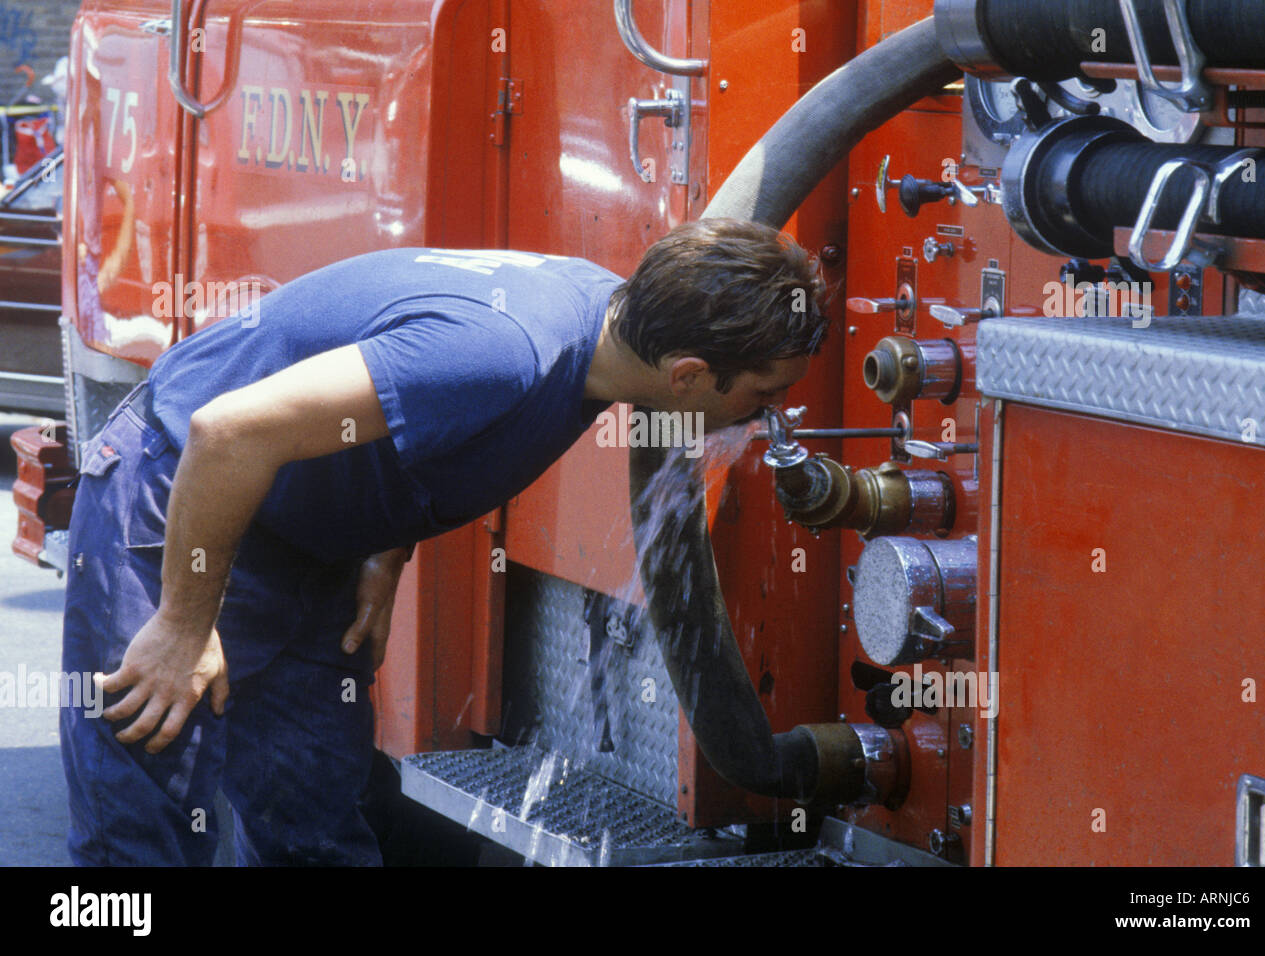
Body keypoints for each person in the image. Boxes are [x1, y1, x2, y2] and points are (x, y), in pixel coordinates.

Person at [60, 216, 829, 865]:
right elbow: (226, 432)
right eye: (765, 394)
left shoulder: (608, 329)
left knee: (318, 819)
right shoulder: (506, 352)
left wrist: (382, 545)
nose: (768, 415)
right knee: (143, 824)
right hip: (180, 499)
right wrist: (183, 624)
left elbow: (418, 430)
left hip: (298, 532)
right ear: (690, 377)